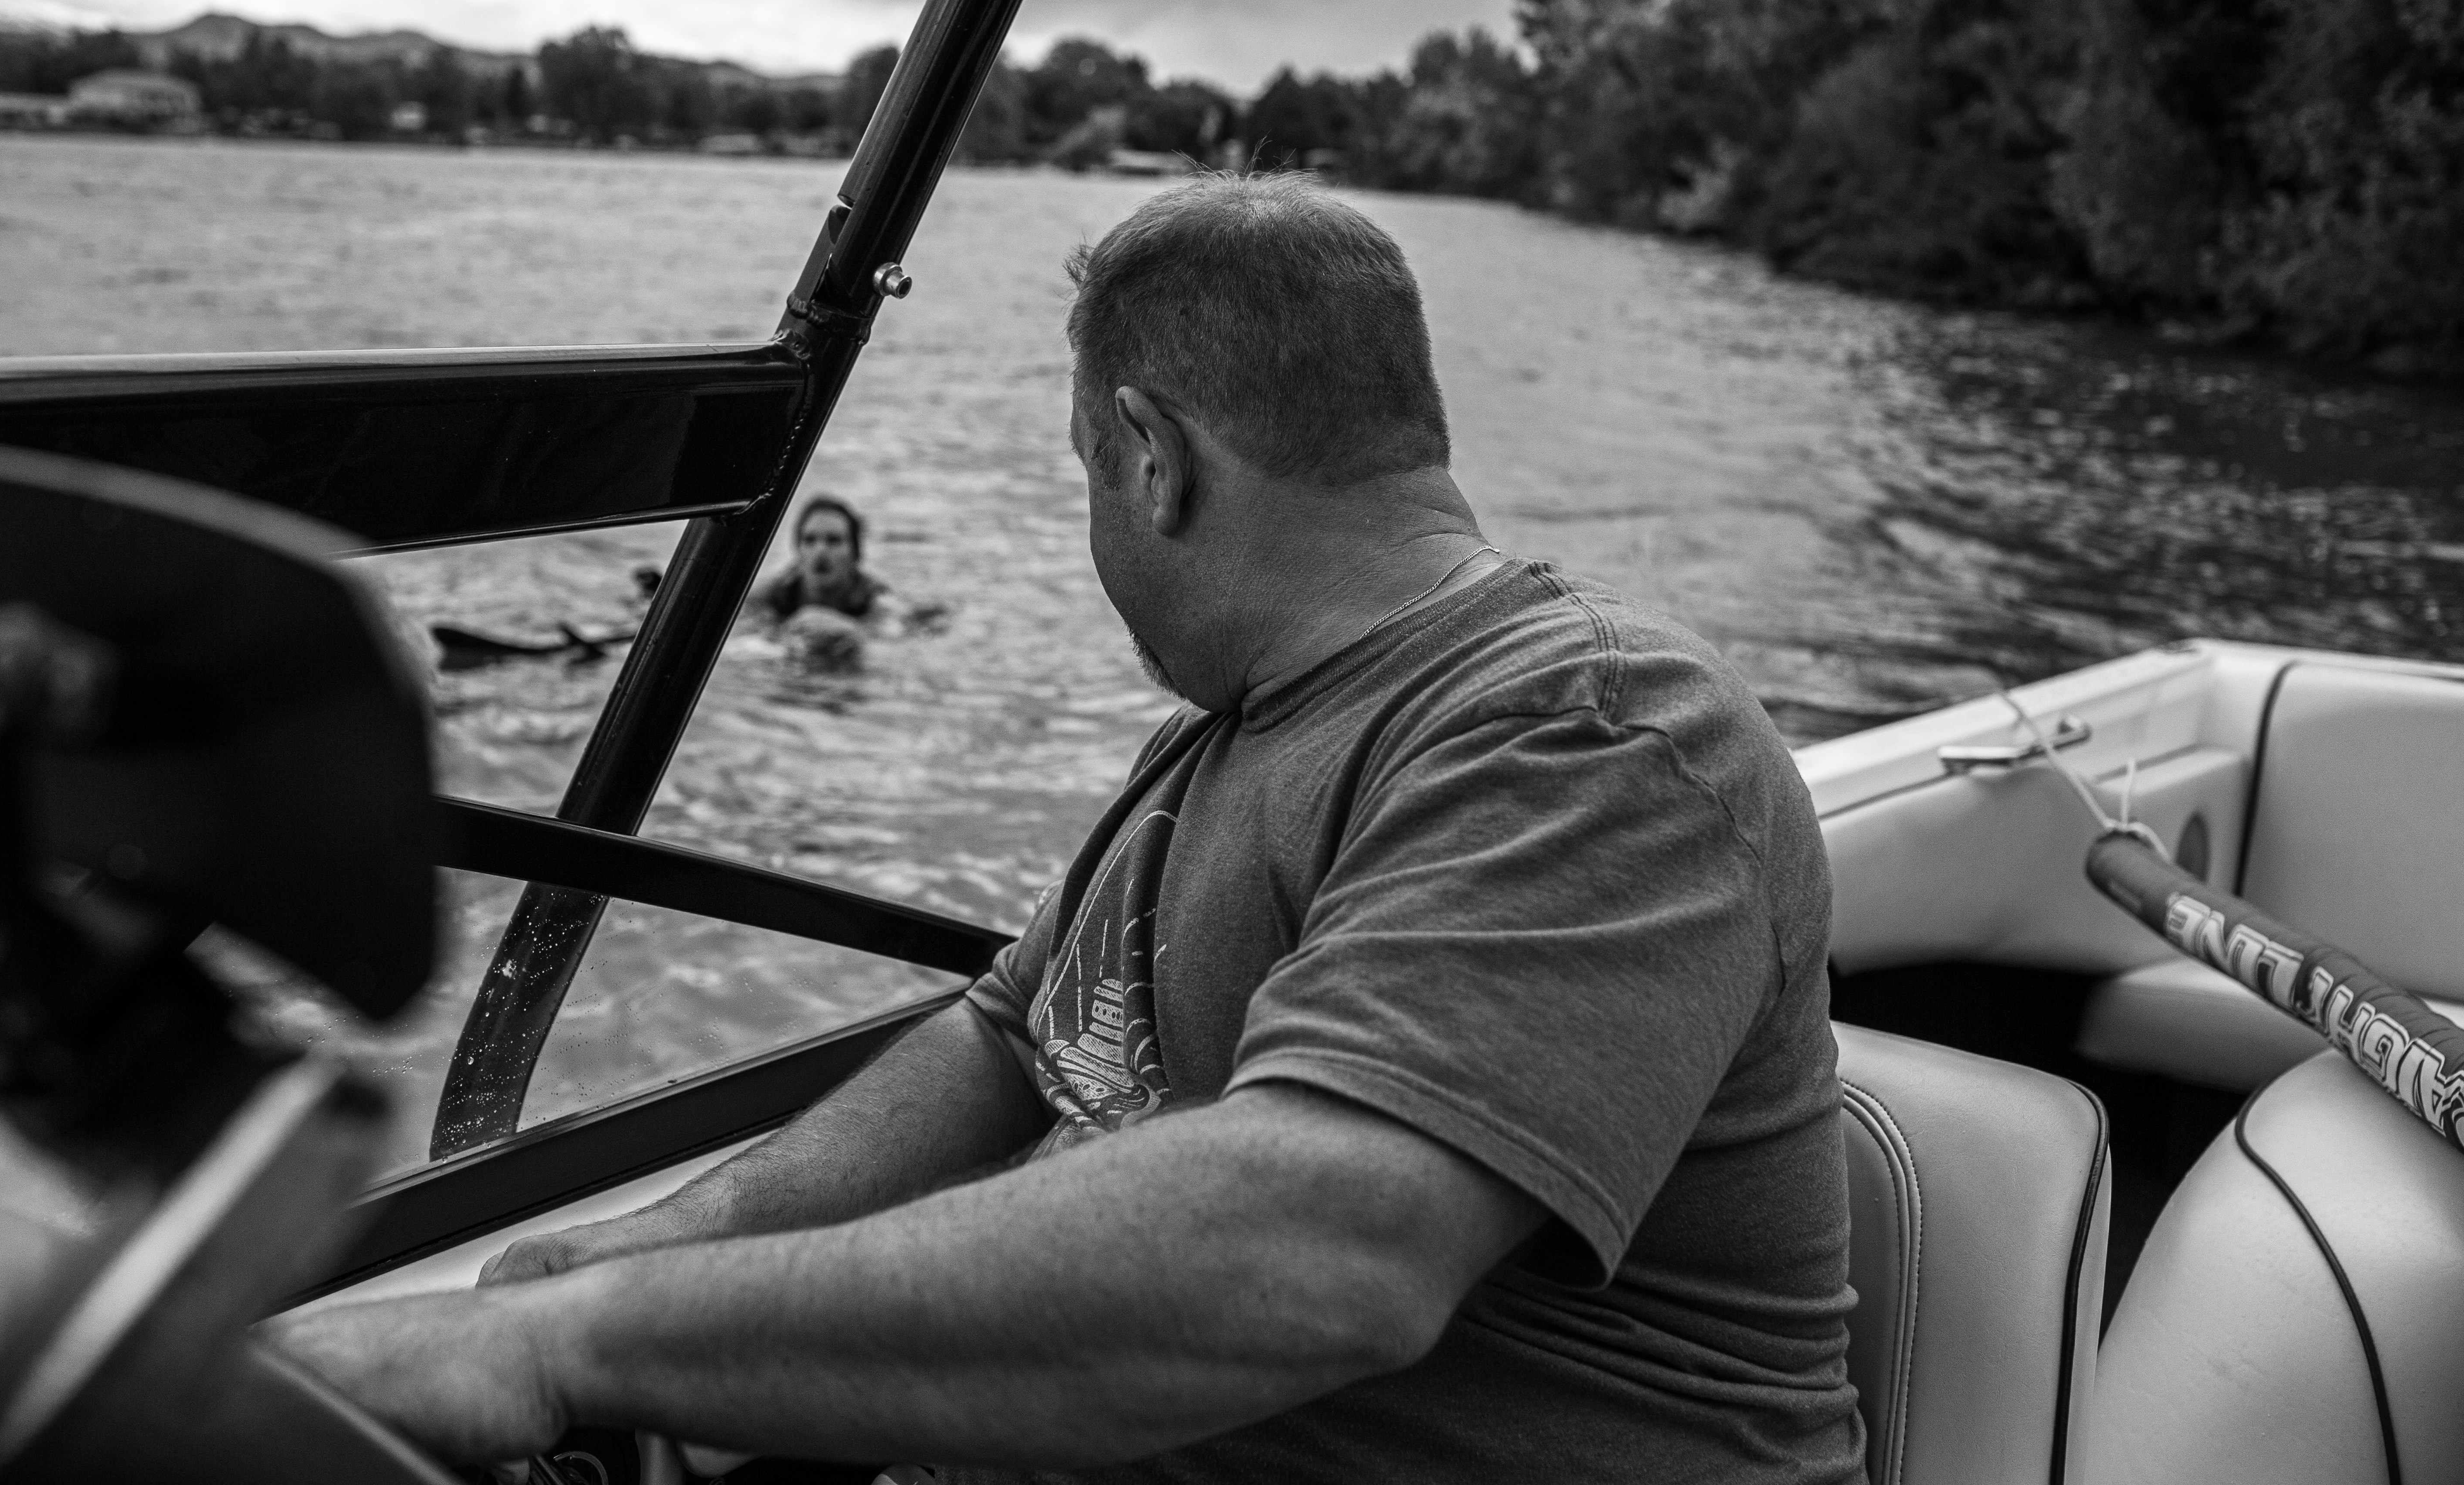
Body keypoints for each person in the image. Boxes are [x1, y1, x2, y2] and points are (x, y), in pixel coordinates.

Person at [268, 174, 1866, 1484]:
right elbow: (1003, 1040)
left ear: (1151, 458)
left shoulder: (1593, 729)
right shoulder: (1217, 742)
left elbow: (1327, 1249)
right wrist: (655, 1247)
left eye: (1087, 475)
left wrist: (557, 1349)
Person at [762, 495, 885, 621]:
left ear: (856, 553)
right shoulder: (770, 596)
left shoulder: (878, 599)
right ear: (798, 551)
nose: (820, 552)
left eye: (833, 540)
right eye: (810, 540)